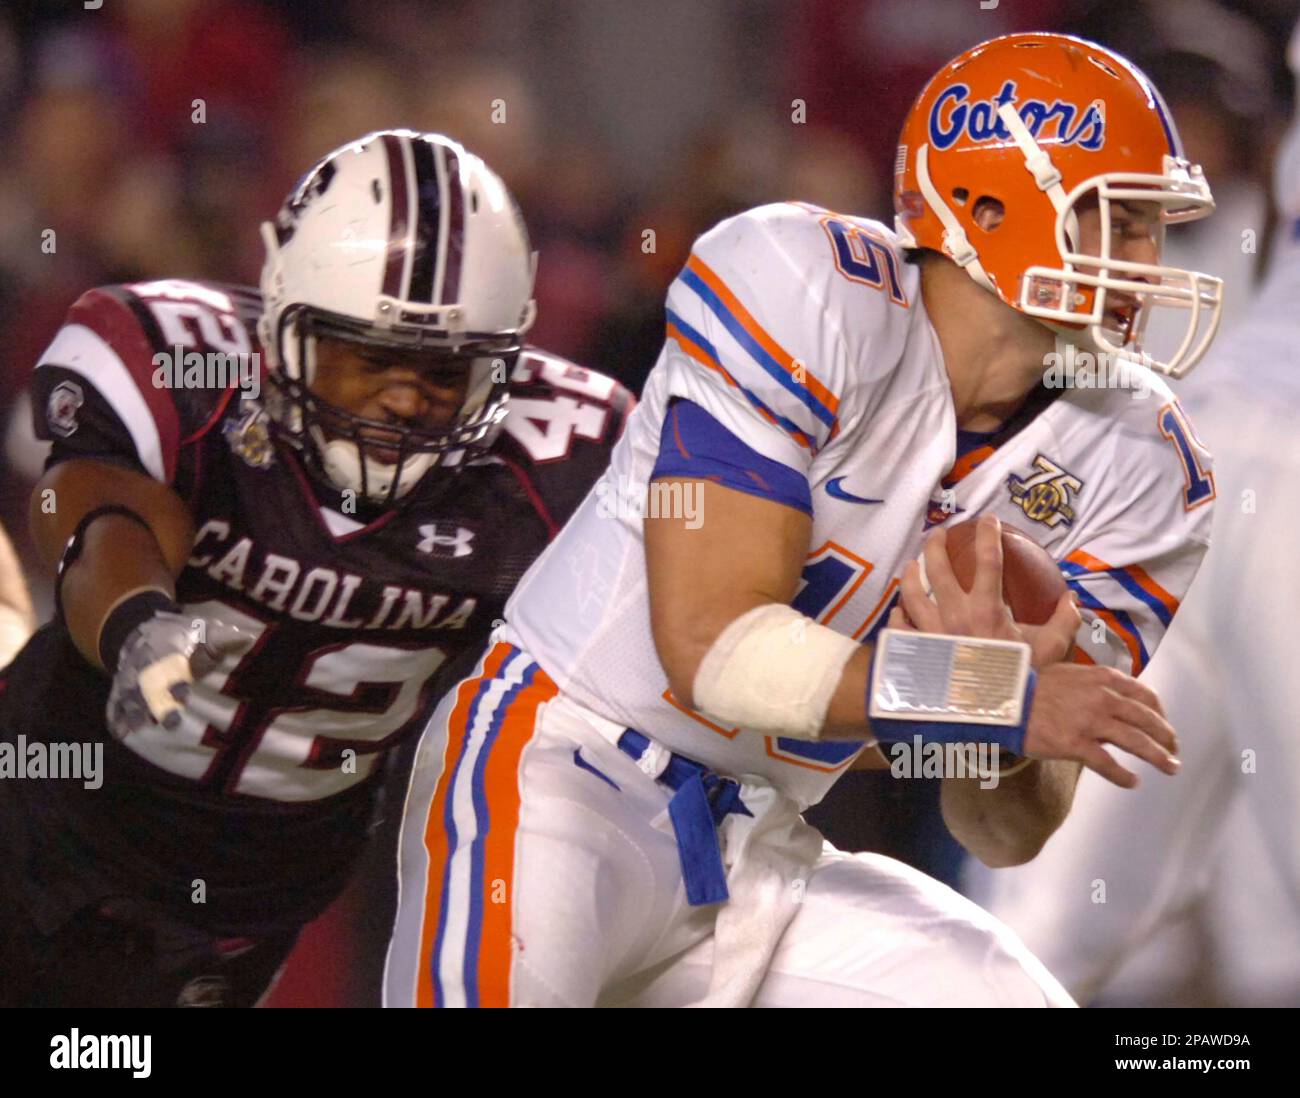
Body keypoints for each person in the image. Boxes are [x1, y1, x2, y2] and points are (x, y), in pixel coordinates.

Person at [384, 33, 1220, 1008]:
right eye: (1113, 220)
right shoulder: (805, 286)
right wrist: (982, 689)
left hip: (760, 848)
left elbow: (1003, 830)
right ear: (988, 207)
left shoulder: (1144, 462)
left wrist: (994, 729)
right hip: (564, 767)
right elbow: (717, 651)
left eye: (1152, 226)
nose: (1148, 260)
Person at [0, 130, 632, 1007]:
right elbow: (97, 506)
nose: (403, 398)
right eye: (366, 358)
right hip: (37, 816)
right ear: (281, 322)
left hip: (245, 906)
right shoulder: (189, 361)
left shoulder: (568, 456)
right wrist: (136, 625)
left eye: (443, 373)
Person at [969, 21, 1300, 1007]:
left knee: (1031, 941)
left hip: (1203, 473)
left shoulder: (1235, 213)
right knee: (1036, 931)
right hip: (1216, 477)